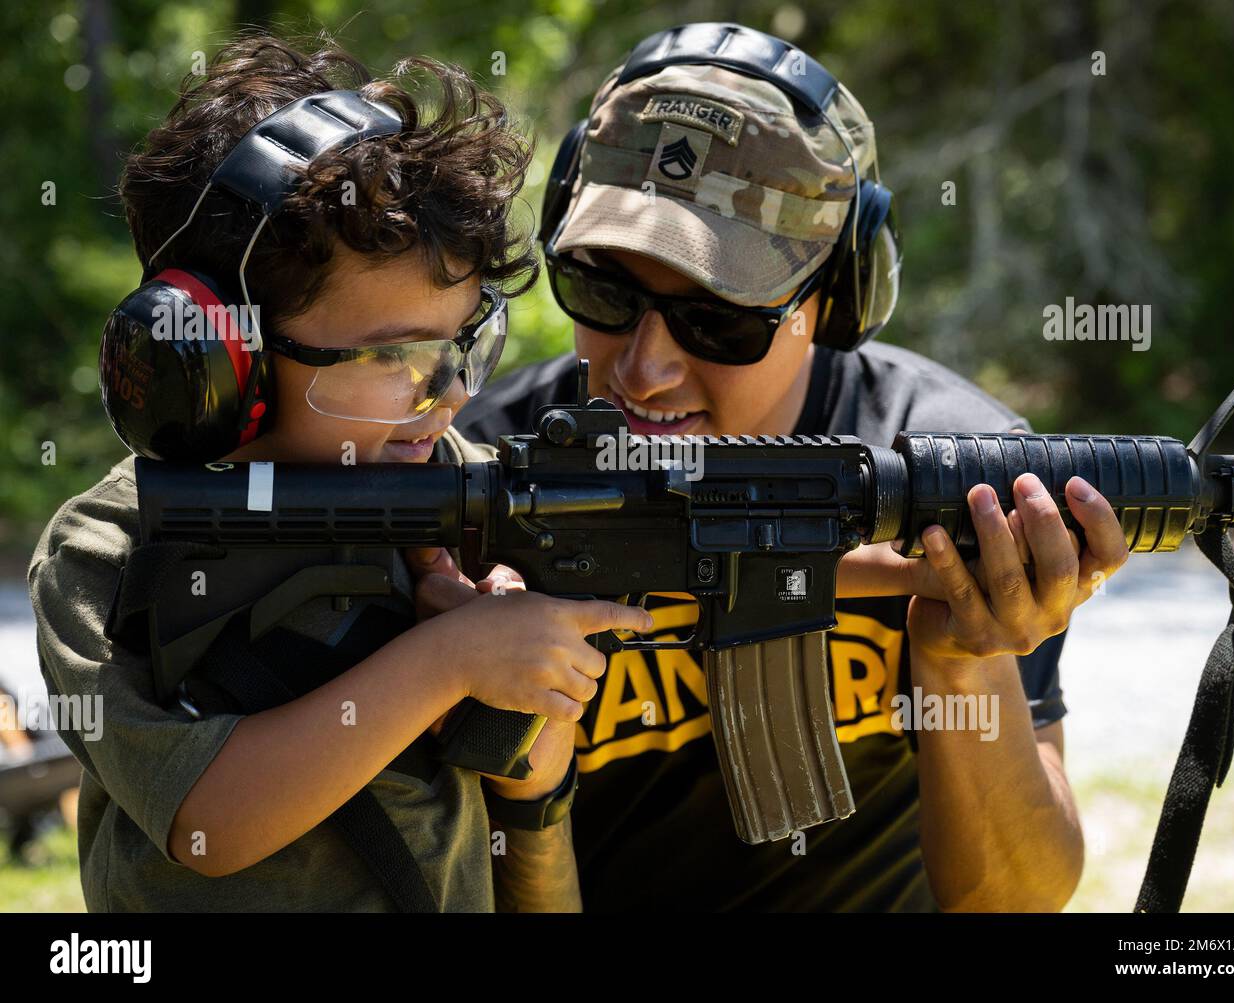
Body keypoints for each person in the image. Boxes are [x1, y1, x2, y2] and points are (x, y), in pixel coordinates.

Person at [455, 23, 1131, 911]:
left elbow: (1013, 900)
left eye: (719, 319)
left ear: (834, 298)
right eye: (605, 291)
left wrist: (962, 660)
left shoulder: (947, 467)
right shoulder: (477, 473)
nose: (643, 368)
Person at [27, 32, 651, 913]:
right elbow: (210, 823)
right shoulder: (111, 550)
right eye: (394, 356)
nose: (449, 392)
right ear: (221, 353)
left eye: (466, 343)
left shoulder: (458, 491)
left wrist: (526, 695)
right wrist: (446, 659)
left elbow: (526, 806)